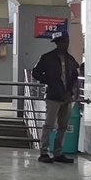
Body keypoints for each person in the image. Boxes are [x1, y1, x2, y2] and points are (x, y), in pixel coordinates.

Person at [31, 33, 79, 163]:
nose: (65, 44)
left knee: (63, 126)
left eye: (66, 41)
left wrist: (69, 91)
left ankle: (58, 152)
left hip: (67, 97)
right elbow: (36, 73)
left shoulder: (70, 60)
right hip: (53, 95)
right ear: (58, 43)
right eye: (62, 42)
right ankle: (44, 152)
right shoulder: (47, 58)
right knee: (49, 125)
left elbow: (74, 77)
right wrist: (50, 81)